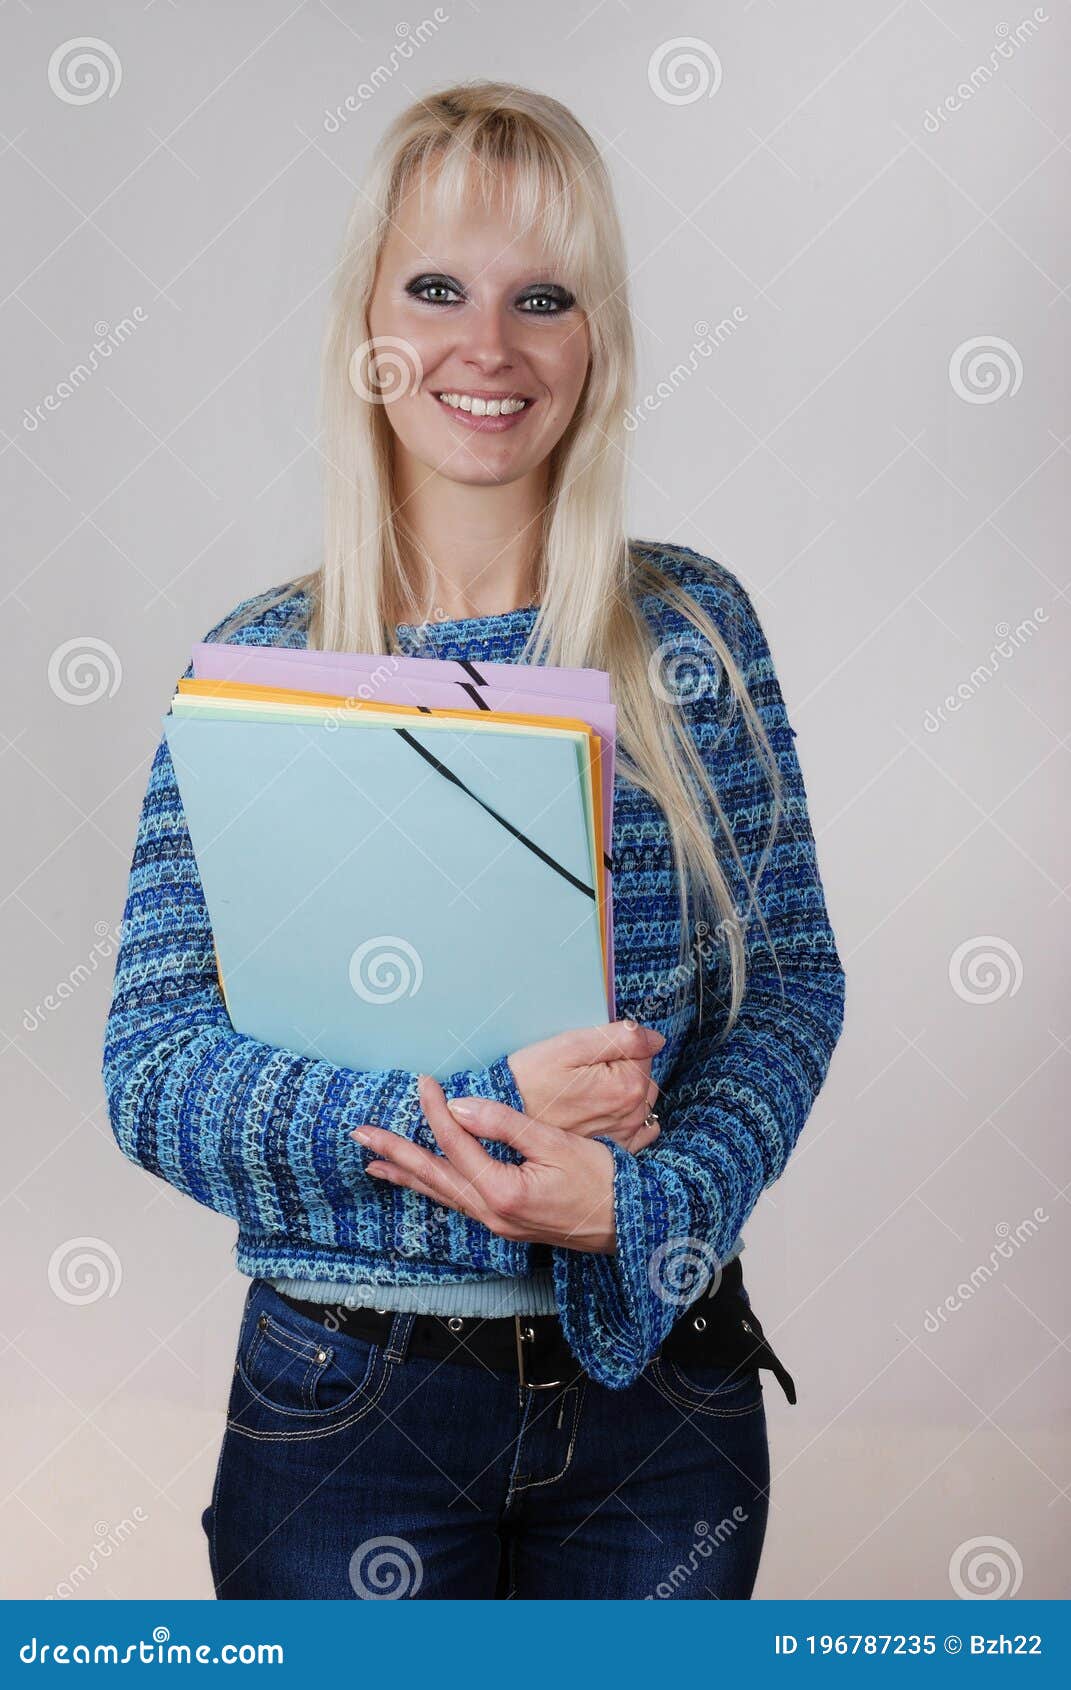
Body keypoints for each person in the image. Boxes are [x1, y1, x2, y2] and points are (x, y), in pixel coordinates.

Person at [101, 80, 846, 1600]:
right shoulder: (259, 665)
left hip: (662, 1401)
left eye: (542, 298)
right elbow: (155, 1068)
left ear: (596, 343)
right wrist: (486, 1116)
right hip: (348, 1407)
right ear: (366, 329)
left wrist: (641, 1206)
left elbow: (786, 993)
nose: (488, 346)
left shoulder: (694, 635)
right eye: (437, 289)